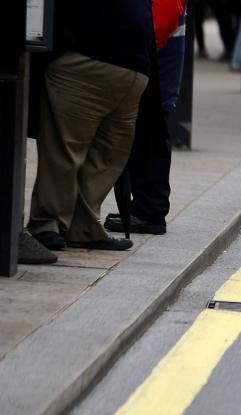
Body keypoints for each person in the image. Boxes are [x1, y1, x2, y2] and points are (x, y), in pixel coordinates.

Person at [27, 0, 154, 252]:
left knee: (108, 157)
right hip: (84, 58)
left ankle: (83, 226)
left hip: (132, 66)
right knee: (65, 151)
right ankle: (48, 225)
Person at [105, 0, 187, 236]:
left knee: (149, 140)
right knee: (147, 139)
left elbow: (164, 17)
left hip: (155, 66)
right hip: (156, 64)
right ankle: (144, 208)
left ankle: (149, 212)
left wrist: (138, 50)